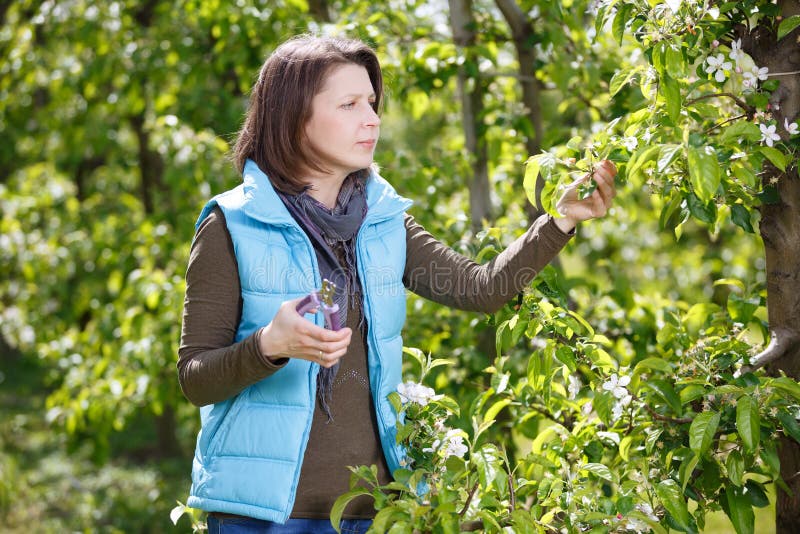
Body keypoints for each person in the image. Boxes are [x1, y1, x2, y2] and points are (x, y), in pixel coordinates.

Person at [178, 35, 617, 534]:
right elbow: (196, 378)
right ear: (292, 117)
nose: (372, 118)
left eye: (371, 102)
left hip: (379, 513)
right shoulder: (231, 225)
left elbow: (482, 288)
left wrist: (558, 221)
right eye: (348, 104)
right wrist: (268, 346)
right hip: (261, 517)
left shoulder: (382, 220)